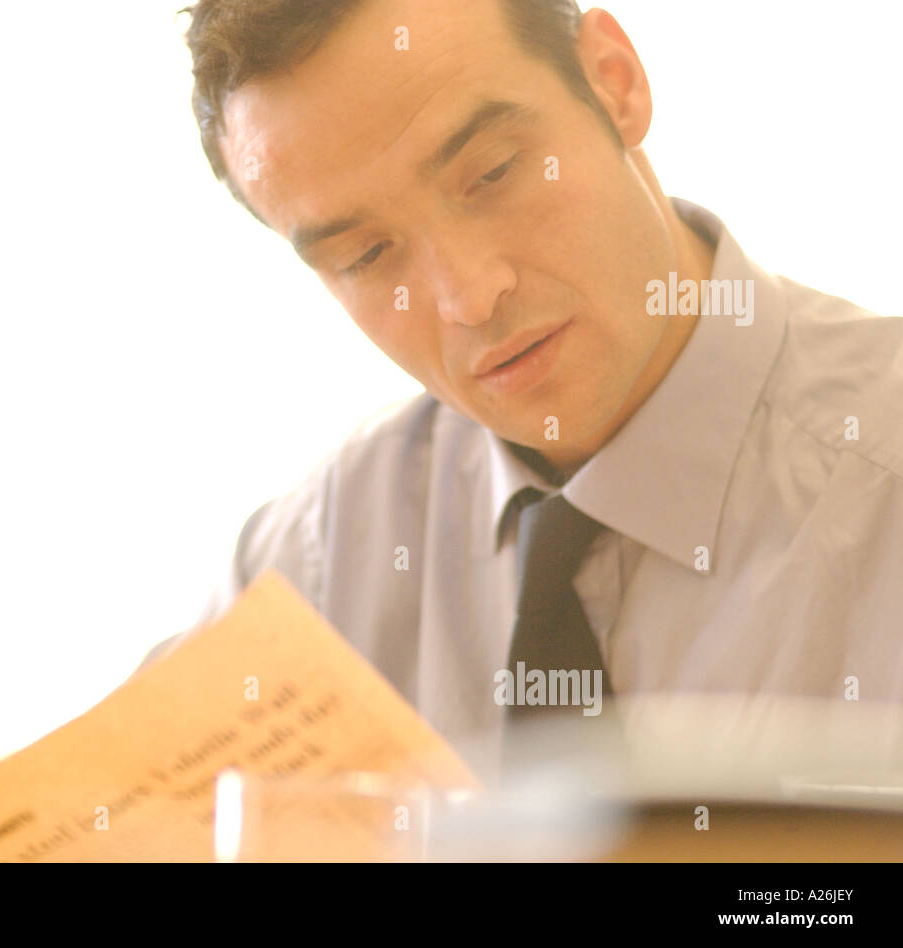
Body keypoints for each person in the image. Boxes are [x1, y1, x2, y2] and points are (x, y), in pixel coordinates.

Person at [137, 0, 903, 779]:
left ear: (615, 81)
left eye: (494, 172)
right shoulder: (316, 565)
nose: (468, 296)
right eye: (367, 256)